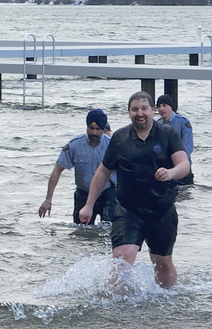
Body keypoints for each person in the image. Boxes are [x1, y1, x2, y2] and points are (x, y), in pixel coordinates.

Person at [79, 91, 189, 289]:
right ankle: (118, 309)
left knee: (162, 264)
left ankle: (169, 301)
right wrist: (88, 205)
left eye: (144, 109)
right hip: (129, 210)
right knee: (121, 258)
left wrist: (171, 173)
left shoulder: (167, 134)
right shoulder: (120, 138)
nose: (140, 113)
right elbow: (103, 172)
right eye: (135, 109)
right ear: (129, 113)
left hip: (162, 210)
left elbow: (184, 164)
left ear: (153, 111)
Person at [38, 109, 117, 225]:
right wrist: (48, 199)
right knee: (81, 232)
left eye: (98, 129)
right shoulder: (74, 145)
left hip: (108, 193)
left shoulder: (113, 145)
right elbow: (57, 171)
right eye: (91, 128)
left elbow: (127, 170)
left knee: (110, 229)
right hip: (83, 194)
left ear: (103, 129)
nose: (94, 132)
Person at [155, 94, 194, 185]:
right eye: (159, 106)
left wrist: (177, 161)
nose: (161, 109)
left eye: (164, 105)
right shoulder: (156, 125)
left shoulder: (183, 122)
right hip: (164, 171)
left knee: (184, 196)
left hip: (182, 170)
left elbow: (188, 147)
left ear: (171, 107)